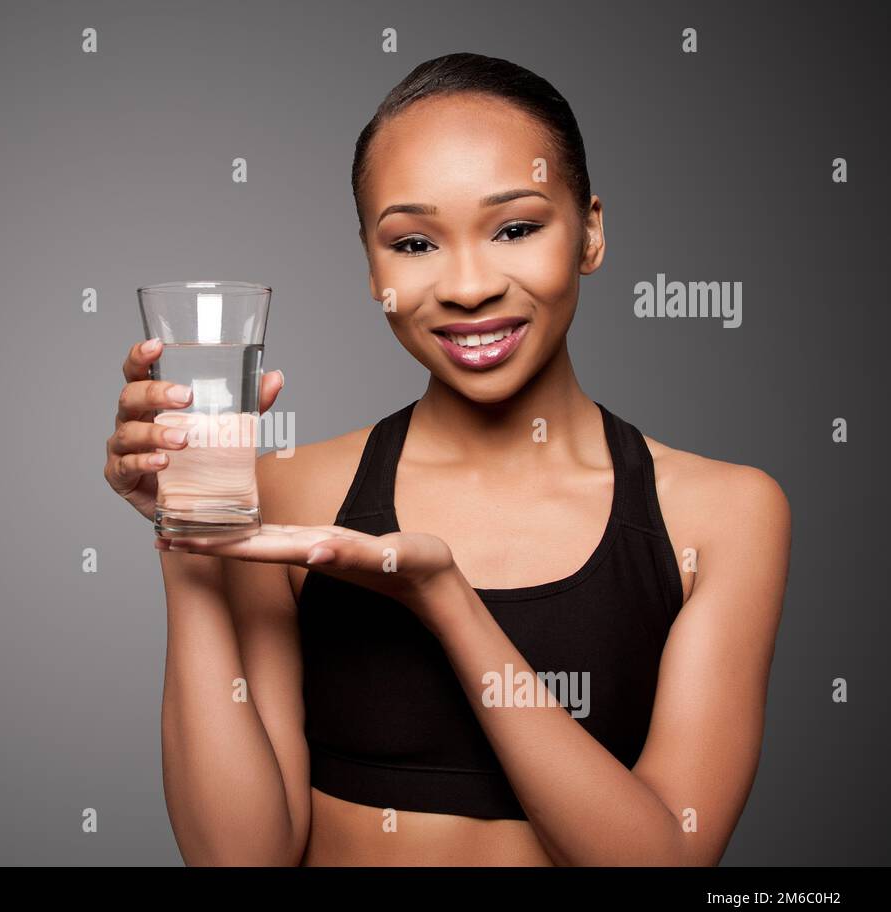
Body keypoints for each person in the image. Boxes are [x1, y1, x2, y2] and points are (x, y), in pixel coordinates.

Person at [103, 52, 790, 866]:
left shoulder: (722, 513)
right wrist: (188, 532)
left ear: (592, 232)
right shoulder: (288, 490)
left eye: (516, 228)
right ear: (371, 267)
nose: (467, 286)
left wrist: (445, 600)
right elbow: (239, 859)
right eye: (416, 242)